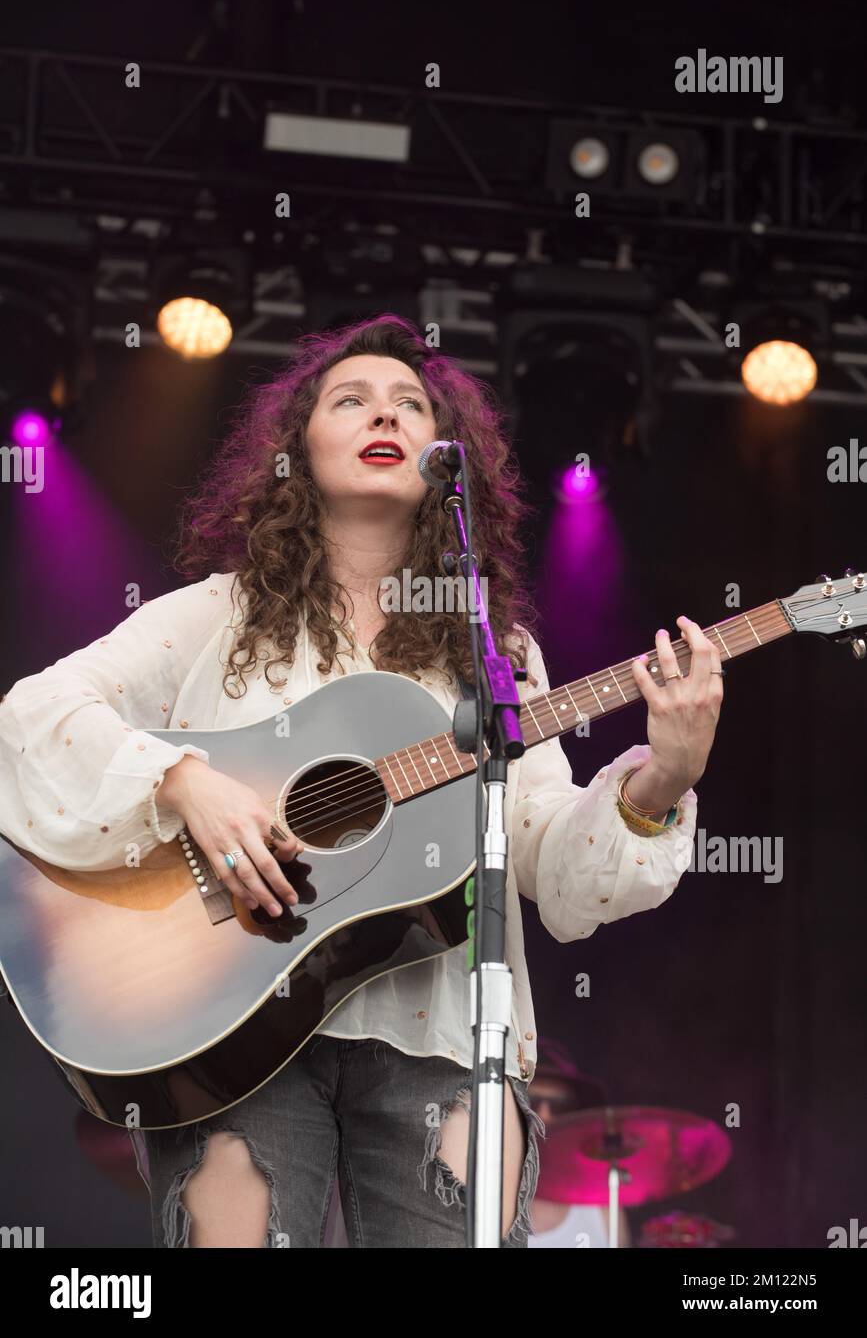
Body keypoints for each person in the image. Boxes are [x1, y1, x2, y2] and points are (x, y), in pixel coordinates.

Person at [0, 314, 723, 1248]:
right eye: (351, 400)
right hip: (226, 1031)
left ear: (444, 455)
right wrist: (184, 781)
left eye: (410, 405)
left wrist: (662, 777)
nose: (383, 414)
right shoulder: (215, 617)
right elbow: (30, 716)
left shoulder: (495, 655)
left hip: (445, 1035)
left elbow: (550, 860)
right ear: (295, 450)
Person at [528, 1039, 630, 1248]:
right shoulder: (477, 1195)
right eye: (530, 1100)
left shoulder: (601, 1205)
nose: (545, 1116)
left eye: (561, 1106)